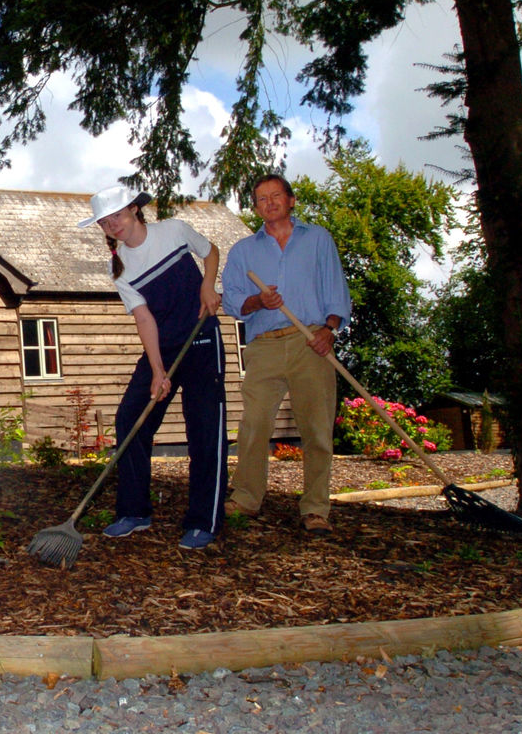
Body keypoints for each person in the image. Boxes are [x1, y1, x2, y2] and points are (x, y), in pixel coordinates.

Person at [79, 186, 229, 550]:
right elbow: (144, 319)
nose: (112, 224)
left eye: (117, 214)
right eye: (104, 220)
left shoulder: (174, 231)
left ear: (134, 209)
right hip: (161, 348)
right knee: (131, 418)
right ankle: (133, 512)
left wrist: (208, 287)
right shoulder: (120, 271)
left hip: (202, 339)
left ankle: (203, 520)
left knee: (204, 429)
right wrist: (158, 371)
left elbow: (211, 253)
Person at [221, 174, 351, 536]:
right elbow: (232, 301)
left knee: (317, 430)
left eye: (276, 195)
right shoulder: (244, 251)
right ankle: (246, 498)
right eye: (261, 199)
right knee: (254, 425)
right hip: (263, 345)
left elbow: (335, 289)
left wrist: (329, 329)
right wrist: (258, 300)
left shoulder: (318, 240)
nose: (269, 202)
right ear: (256, 207)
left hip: (311, 341)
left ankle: (315, 509)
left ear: (291, 200)